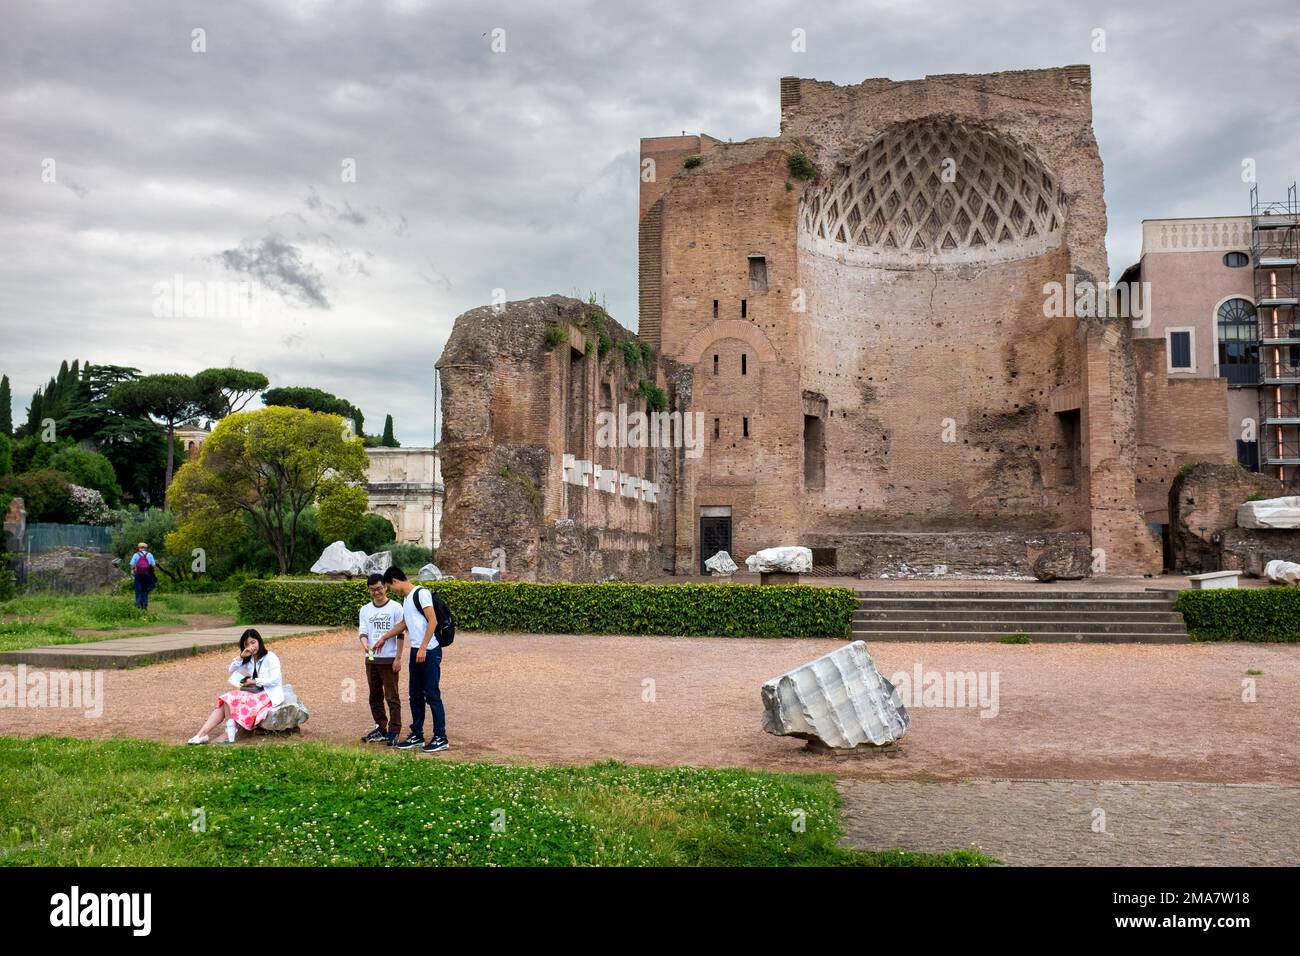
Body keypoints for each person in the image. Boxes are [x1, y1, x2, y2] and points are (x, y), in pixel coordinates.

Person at [377, 566, 449, 754]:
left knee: (432, 694)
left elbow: (432, 621)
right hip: (417, 650)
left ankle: (441, 737)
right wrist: (385, 637)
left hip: (429, 650)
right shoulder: (408, 599)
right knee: (415, 695)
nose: (390, 591)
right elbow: (404, 624)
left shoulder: (421, 593)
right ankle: (416, 734)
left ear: (394, 581)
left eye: (388, 587)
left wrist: (424, 647)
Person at [187, 629, 284, 744]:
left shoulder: (270, 657)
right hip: (253, 693)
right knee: (225, 700)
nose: (250, 646)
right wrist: (241, 657)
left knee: (228, 699)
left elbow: (275, 679)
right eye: (247, 645)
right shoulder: (249, 659)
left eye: (253, 642)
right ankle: (202, 734)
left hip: (268, 694)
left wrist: (253, 681)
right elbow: (231, 669)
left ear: (259, 641)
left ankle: (228, 734)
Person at [358, 572, 403, 745]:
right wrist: (365, 645)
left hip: (389, 658)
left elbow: (400, 635)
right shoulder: (365, 610)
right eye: (372, 590)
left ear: (385, 587)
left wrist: (398, 658)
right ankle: (381, 727)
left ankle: (394, 730)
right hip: (372, 658)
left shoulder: (396, 608)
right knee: (374, 696)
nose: (376, 593)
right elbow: (363, 632)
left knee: (392, 696)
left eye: (379, 589)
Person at [129, 541, 156, 610]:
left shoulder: (136, 555)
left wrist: (132, 571)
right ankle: (145, 604)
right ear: (145, 548)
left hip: (138, 574)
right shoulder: (150, 554)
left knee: (138, 589)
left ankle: (138, 604)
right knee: (145, 590)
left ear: (139, 548)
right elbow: (153, 565)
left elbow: (132, 564)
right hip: (147, 574)